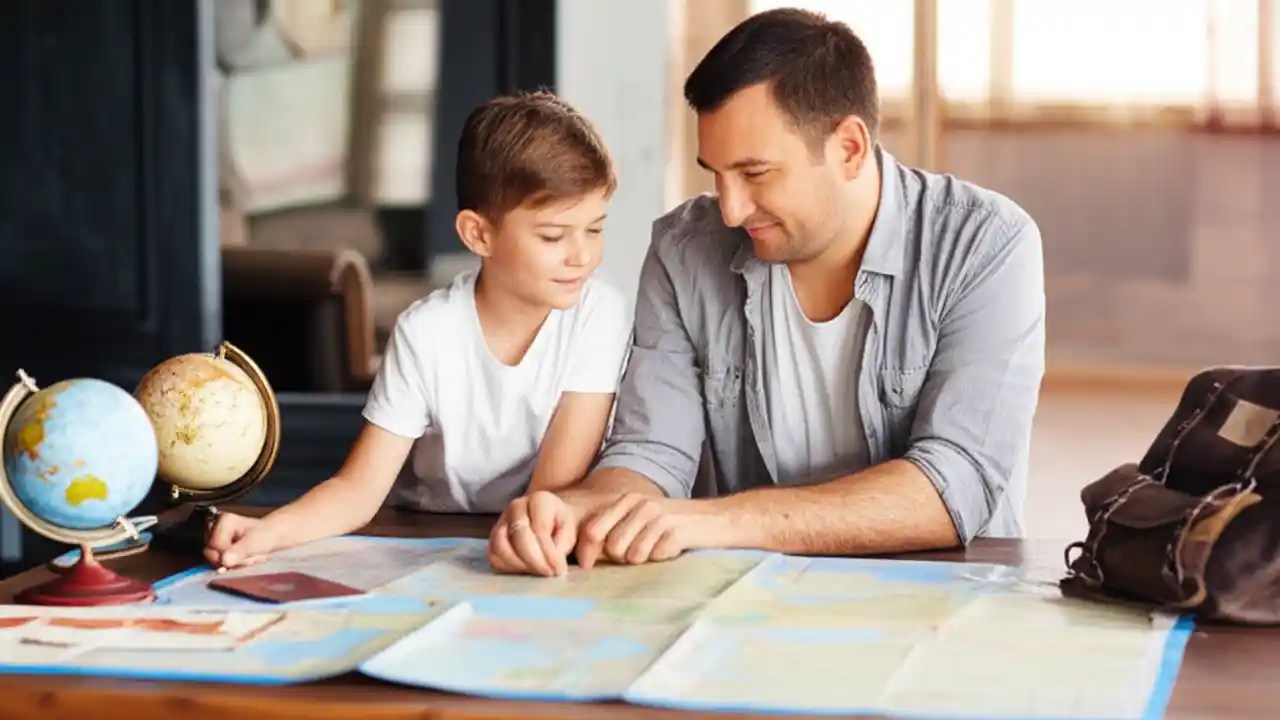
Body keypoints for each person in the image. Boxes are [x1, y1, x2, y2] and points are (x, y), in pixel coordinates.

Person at [488, 8, 1045, 576]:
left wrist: (719, 522)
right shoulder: (684, 251)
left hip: (941, 607)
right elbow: (651, 455)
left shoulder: (986, 244)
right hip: (748, 609)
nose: (730, 209)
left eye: (754, 174)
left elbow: (957, 484)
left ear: (849, 148)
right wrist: (569, 512)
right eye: (716, 174)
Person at [206, 92, 631, 576]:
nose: (582, 256)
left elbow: (550, 496)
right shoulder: (426, 333)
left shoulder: (599, 312)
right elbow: (359, 490)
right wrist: (268, 532)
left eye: (595, 229)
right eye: (553, 236)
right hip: (426, 537)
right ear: (479, 235)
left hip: (537, 538)